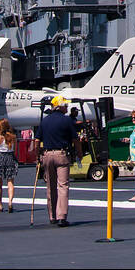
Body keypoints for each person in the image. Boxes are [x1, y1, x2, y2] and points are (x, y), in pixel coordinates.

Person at [39, 96, 79, 226]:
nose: (67, 108)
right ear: (59, 106)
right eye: (65, 106)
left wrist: (37, 157)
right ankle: (62, 216)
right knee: (63, 185)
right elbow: (75, 139)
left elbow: (36, 140)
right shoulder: (67, 120)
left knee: (50, 186)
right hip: (61, 154)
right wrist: (79, 153)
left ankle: (52, 216)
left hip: (47, 154)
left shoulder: (44, 121)